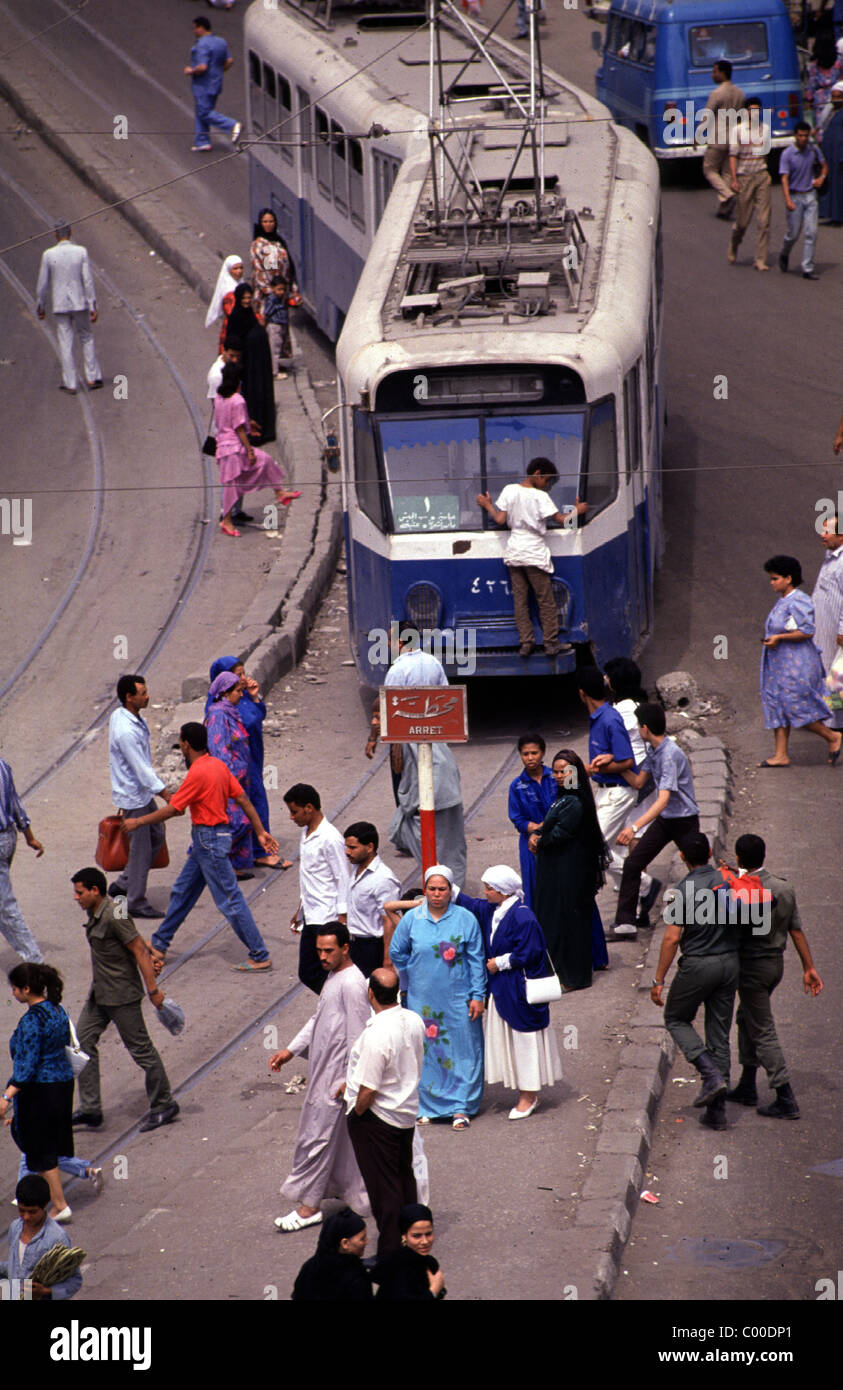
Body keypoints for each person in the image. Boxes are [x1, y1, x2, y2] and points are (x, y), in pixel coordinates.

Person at [133, 722, 278, 973]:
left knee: (230, 900)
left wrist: (138, 821)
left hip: (208, 840)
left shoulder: (198, 772)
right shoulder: (218, 766)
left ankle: (260, 953)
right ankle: (159, 943)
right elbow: (243, 799)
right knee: (182, 891)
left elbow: (175, 809)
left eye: (181, 744)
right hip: (210, 840)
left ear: (186, 745)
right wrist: (260, 831)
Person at [270, 925, 370, 1232]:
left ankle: (309, 1207)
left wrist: (349, 1081)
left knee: (319, 1138)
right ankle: (359, 1195)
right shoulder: (334, 978)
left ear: (345, 948)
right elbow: (319, 1018)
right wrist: (290, 1050)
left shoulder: (352, 984)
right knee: (337, 1140)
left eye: (329, 951)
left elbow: (359, 1034)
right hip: (323, 1070)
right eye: (319, 951)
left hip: (336, 1078)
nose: (323, 957)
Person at [70, 867, 178, 1132]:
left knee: (141, 1050)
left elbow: (137, 948)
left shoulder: (114, 912)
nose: (76, 897)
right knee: (82, 1041)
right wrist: (154, 952)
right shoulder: (95, 911)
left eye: (80, 892)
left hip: (122, 995)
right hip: (101, 993)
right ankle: (91, 1108)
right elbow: (137, 938)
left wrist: (154, 990)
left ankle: (164, 1104)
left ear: (95, 891)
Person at [724, 834, 822, 1119]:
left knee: (762, 1029)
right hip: (774, 965)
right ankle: (746, 1084)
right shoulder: (783, 887)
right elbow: (796, 930)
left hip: (752, 968)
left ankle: (785, 1095)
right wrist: (808, 967)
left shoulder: (741, 892)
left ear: (739, 858)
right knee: (746, 1019)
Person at [455, 866, 562, 1119]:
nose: (485, 892)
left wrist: (499, 963)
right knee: (512, 1040)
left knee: (524, 1040)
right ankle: (523, 1090)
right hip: (504, 989)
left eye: (489, 888)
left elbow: (531, 951)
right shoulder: (496, 909)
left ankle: (529, 1095)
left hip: (518, 989)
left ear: (503, 891)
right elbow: (472, 903)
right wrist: (445, 880)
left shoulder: (523, 917)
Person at [651, 833, 740, 1131]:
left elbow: (672, 938)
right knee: (719, 1034)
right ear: (711, 852)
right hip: (729, 963)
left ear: (682, 858)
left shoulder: (683, 890)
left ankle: (709, 1074)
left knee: (676, 1018)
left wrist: (659, 979)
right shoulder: (726, 879)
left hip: (699, 964)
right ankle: (717, 1112)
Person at [386, 865, 486, 1129]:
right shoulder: (412, 919)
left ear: (451, 890)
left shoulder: (466, 919)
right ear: (425, 890)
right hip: (423, 999)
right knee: (427, 1051)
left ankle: (460, 1105)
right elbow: (397, 951)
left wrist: (478, 995)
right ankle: (427, 1105)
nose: (437, 894)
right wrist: (411, 977)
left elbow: (477, 960)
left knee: (464, 1049)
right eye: (432, 889)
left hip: (458, 997)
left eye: (442, 889)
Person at [602, 703, 700, 941]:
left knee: (698, 869)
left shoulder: (669, 754)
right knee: (633, 864)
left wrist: (633, 827)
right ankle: (626, 923)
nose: (637, 728)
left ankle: (708, 920)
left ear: (645, 728)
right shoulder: (653, 750)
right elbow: (638, 782)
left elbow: (663, 799)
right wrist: (610, 762)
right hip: (666, 821)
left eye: (638, 725)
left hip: (684, 819)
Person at [345, 967, 425, 1254]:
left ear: (370, 995)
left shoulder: (376, 1034)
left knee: (384, 1189)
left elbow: (368, 1089)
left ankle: (391, 1252)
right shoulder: (413, 1020)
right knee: (404, 1180)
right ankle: (412, 1240)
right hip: (405, 1112)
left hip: (377, 1119)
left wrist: (356, 1114)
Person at [476, 457, 586, 658]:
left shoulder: (509, 490)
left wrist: (487, 505)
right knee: (545, 600)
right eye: (548, 481)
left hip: (515, 552)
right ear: (537, 474)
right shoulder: (540, 496)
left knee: (520, 601)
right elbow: (561, 520)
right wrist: (577, 511)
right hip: (534, 553)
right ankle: (551, 643)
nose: (549, 487)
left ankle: (526, 642)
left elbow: (500, 519)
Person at [580, 666, 658, 920]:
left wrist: (594, 767)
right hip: (605, 791)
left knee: (591, 847)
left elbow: (626, 761)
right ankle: (640, 896)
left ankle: (645, 886)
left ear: (582, 694)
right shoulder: (600, 718)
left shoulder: (610, 719)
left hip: (618, 793)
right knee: (607, 850)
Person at [1, 963, 74, 1220]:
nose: (13, 994)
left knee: (40, 1147)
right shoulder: (57, 1010)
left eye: (15, 988)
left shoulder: (32, 1020)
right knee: (47, 1145)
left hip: (40, 1091)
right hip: (62, 1083)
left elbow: (28, 1064)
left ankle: (59, 1203)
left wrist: (7, 1096)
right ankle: (47, 1197)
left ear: (27, 989)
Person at [531, 750, 608, 990]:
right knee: (556, 921)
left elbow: (562, 833)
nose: (558, 776)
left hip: (570, 873)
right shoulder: (564, 798)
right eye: (555, 771)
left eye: (564, 771)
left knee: (570, 924)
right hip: (557, 871)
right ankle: (559, 973)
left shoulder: (575, 801)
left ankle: (574, 977)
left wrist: (539, 841)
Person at [758, 554, 842, 765]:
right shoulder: (782, 601)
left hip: (797, 664)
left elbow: (806, 631)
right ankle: (780, 755)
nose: (772, 583)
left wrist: (779, 637)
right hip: (779, 663)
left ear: (788, 578)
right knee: (777, 704)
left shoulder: (800, 600)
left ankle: (832, 736)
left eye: (775, 578)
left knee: (797, 706)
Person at [204, 655, 283, 864]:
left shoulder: (241, 697)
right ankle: (257, 851)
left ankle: (250, 853)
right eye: (237, 676)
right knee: (248, 805)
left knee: (250, 804)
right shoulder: (220, 708)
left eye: (242, 674)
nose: (243, 679)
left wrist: (255, 697)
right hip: (237, 768)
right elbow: (223, 744)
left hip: (251, 757)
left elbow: (258, 714)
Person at [107, 674, 171, 919]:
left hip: (139, 793)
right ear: (129, 697)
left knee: (156, 835)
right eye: (142, 693)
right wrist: (166, 794)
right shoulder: (126, 731)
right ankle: (134, 899)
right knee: (141, 849)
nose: (147, 696)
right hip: (134, 795)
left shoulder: (123, 716)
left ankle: (124, 882)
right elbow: (141, 768)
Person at [213, 363, 296, 537]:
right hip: (235, 449)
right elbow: (239, 429)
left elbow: (227, 421)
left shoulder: (219, 397)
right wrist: (249, 450)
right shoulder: (238, 400)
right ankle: (226, 520)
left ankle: (278, 491)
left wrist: (247, 424)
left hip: (223, 448)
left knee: (233, 482)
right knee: (260, 463)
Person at [285, 784, 349, 994]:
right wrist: (300, 909)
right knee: (313, 971)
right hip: (311, 914)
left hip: (326, 916)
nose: (291, 817)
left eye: (294, 812)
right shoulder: (306, 833)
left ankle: (336, 1003)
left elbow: (342, 877)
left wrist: (342, 916)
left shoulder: (330, 838)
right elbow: (310, 877)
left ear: (309, 808)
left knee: (313, 971)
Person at [388, 741, 468, 887]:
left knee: (439, 853)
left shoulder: (412, 735)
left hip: (436, 798)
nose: (375, 722)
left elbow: (437, 766)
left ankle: (447, 892)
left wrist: (414, 803)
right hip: (445, 794)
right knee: (448, 851)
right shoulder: (405, 736)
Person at [35, 223, 102, 394]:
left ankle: (70, 383)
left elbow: (42, 284)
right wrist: (92, 303)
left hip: (60, 305)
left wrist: (41, 305)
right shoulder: (81, 252)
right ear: (71, 232)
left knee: (65, 342)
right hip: (79, 302)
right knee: (86, 337)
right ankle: (92, 377)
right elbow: (87, 280)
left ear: (55, 235)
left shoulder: (48, 254)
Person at [204, 671, 254, 876]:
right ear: (225, 693)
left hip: (240, 780)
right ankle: (210, 862)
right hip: (228, 782)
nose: (241, 695)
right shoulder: (217, 716)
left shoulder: (230, 712)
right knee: (238, 822)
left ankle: (229, 867)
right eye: (237, 691)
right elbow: (219, 750)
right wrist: (230, 778)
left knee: (240, 822)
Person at [0, 1175, 82, 1300]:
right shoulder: (15, 1228)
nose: (26, 1217)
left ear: (45, 1205)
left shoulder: (57, 1238)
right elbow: (16, 1267)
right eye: (22, 1211)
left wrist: (46, 1291)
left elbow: (75, 1280)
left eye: (32, 1212)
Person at [0, 756, 45, 963]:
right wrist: (30, 837)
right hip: (8, 837)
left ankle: (35, 961)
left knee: (5, 906)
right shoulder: (2, 764)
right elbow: (16, 804)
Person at [344, 822, 401, 977]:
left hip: (371, 949)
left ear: (369, 847)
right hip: (354, 945)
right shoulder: (357, 867)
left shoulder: (383, 879)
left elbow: (389, 922)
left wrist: (387, 961)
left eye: (353, 848)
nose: (347, 852)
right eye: (346, 847)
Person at [507, 733, 557, 909]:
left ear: (542, 753)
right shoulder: (516, 785)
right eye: (525, 754)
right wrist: (537, 829)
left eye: (534, 753)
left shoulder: (558, 777)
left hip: (559, 838)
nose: (530, 758)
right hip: (531, 844)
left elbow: (573, 804)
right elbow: (517, 818)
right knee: (535, 888)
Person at [225, 284, 276, 445]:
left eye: (249, 298)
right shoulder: (235, 317)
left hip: (259, 364)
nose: (247, 301)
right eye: (244, 298)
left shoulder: (250, 315)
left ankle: (265, 430)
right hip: (247, 367)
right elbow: (233, 344)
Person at [727, 98, 773, 270]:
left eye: (757, 110)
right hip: (744, 177)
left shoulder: (765, 129)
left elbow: (765, 155)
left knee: (764, 220)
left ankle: (760, 259)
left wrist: (765, 172)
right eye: (750, 110)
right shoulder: (738, 130)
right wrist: (734, 179)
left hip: (761, 176)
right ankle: (734, 243)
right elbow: (733, 156)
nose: (754, 114)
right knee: (743, 222)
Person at [778, 123, 827, 278]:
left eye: (806, 135)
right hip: (795, 196)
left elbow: (824, 166)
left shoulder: (813, 150)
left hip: (810, 195)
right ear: (795, 135)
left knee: (811, 232)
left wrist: (821, 178)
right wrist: (787, 200)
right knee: (793, 234)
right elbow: (784, 178)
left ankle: (807, 268)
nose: (803, 138)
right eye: (800, 135)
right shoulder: (787, 154)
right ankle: (784, 253)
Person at [185, 16, 241, 153]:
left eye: (195, 28)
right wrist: (218, 72)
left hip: (203, 84)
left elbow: (202, 67)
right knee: (202, 110)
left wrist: (190, 70)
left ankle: (232, 125)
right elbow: (229, 61)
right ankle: (202, 142)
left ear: (201, 27)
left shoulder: (202, 44)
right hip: (216, 82)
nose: (194, 31)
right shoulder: (220, 42)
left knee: (204, 112)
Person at [291, 1208, 372, 1301]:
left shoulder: (309, 1267)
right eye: (362, 1239)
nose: (367, 1242)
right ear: (345, 1243)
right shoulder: (356, 1278)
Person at [373, 1203, 446, 1300]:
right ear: (404, 1236)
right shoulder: (394, 1267)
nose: (425, 1241)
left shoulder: (429, 1262)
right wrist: (433, 1291)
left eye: (428, 1234)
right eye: (417, 1236)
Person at [702, 62, 746, 218]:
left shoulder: (717, 93)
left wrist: (698, 134)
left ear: (722, 73)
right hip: (734, 137)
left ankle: (727, 195)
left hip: (718, 137)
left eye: (715, 71)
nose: (713, 74)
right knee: (727, 172)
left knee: (709, 169)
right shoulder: (740, 93)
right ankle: (724, 207)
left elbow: (707, 116)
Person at [811, 514, 843, 731]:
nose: (822, 535)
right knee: (824, 672)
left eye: (827, 531)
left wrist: (842, 630)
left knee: (837, 678)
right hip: (822, 628)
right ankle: (827, 717)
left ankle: (836, 723)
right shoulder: (831, 557)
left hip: (835, 631)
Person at [250, 208, 298, 323]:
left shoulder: (278, 241)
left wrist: (293, 289)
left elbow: (289, 266)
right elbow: (260, 272)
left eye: (271, 221)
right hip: (267, 297)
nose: (268, 225)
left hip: (281, 294)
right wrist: (272, 292)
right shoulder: (259, 244)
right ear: (260, 223)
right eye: (265, 222)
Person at [204, 254, 244, 354]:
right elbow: (231, 311)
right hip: (233, 328)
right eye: (235, 268)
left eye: (241, 268)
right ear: (229, 270)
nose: (239, 271)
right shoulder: (228, 289)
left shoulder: (239, 283)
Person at [805, 35, 843, 133]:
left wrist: (808, 101)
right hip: (838, 96)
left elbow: (811, 85)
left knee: (821, 127)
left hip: (820, 100)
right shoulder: (839, 61)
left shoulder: (815, 64)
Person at [819, 86, 843, 219]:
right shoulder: (831, 112)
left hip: (839, 155)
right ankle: (831, 215)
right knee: (830, 185)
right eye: (834, 96)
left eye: (839, 96)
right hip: (829, 154)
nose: (836, 99)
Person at [262, 276, 294, 378]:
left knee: (278, 348)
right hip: (274, 326)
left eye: (283, 289)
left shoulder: (280, 298)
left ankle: (275, 367)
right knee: (274, 350)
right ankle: (274, 373)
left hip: (280, 326)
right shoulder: (272, 300)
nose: (281, 292)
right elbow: (267, 312)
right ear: (272, 288)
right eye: (279, 289)